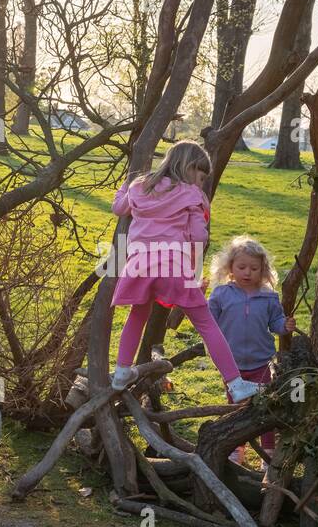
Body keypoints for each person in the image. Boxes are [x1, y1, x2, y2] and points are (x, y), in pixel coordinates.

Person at [109, 141, 259, 402]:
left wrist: (126, 183)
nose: (200, 184)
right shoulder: (191, 195)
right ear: (189, 168)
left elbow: (119, 208)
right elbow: (199, 237)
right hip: (173, 266)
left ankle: (122, 370)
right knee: (205, 323)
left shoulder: (140, 186)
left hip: (139, 265)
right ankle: (236, 384)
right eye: (200, 177)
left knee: (137, 314)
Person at [207, 236, 295, 463]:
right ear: (230, 268)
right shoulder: (221, 294)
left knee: (265, 406)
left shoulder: (268, 297)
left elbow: (275, 322)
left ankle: (269, 452)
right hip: (231, 364)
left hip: (262, 362)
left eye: (254, 268)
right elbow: (207, 321)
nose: (247, 272)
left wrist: (284, 326)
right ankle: (236, 448)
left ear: (263, 270)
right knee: (235, 406)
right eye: (242, 267)